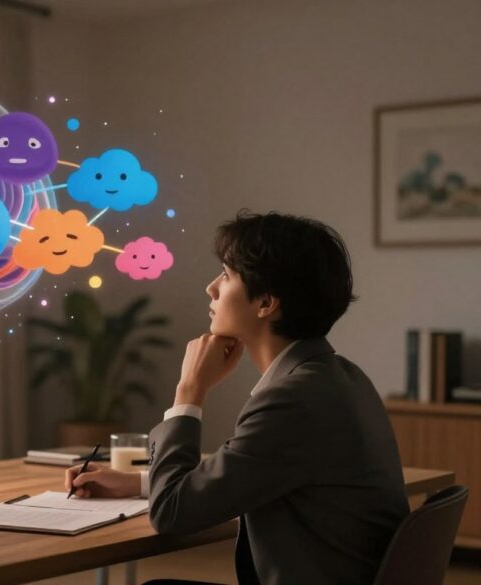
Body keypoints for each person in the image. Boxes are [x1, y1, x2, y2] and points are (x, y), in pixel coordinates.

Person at [65, 211, 409, 585]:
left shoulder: (293, 400)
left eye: (227, 275)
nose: (211, 288)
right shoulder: (339, 377)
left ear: (265, 303)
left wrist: (189, 390)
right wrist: (140, 484)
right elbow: (253, 472)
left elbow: (171, 514)